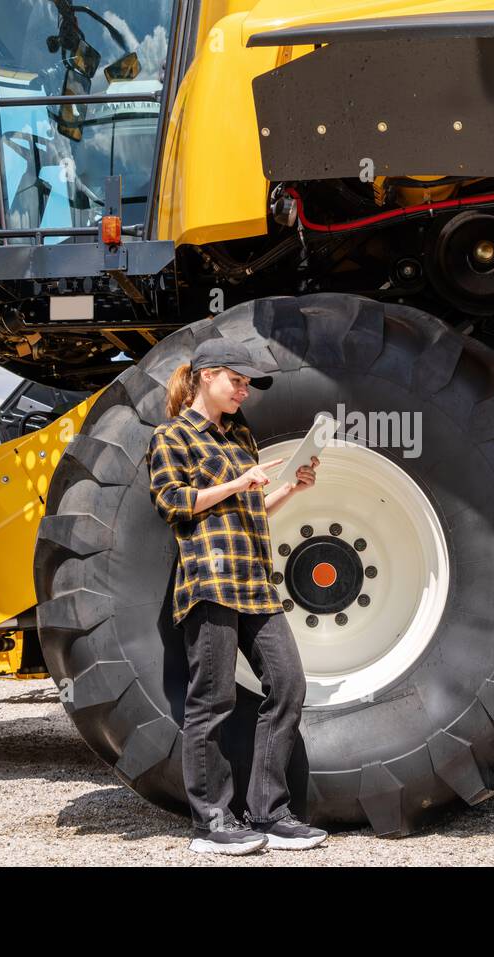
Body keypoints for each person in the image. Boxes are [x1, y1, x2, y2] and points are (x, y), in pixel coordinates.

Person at [148, 337, 328, 855]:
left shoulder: (240, 436)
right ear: (207, 376)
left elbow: (249, 512)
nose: (244, 391)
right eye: (238, 380)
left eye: (248, 383)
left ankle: (268, 812)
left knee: (288, 685)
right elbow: (174, 505)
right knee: (213, 700)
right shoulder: (172, 437)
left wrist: (291, 488)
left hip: (254, 583)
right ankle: (211, 822)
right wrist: (237, 483)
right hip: (209, 582)